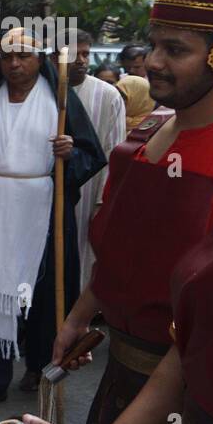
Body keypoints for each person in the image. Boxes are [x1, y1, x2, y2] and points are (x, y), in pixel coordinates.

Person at [51, 0, 213, 424]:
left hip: (188, 394)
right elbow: (118, 248)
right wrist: (79, 316)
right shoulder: (146, 133)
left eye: (175, 50)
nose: (151, 63)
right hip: (124, 366)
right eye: (153, 46)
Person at [0, 28, 104, 411]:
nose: (14, 64)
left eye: (23, 56)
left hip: (43, 209)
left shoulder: (60, 101)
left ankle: (37, 365)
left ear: (40, 59)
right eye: (6, 57)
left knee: (42, 293)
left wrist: (70, 152)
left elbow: (91, 153)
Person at [67, 30, 126, 286]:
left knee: (82, 255)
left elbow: (114, 150)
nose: (81, 60)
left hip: (90, 193)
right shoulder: (42, 92)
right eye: (73, 54)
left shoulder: (107, 95)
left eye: (85, 54)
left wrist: (104, 201)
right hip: (45, 192)